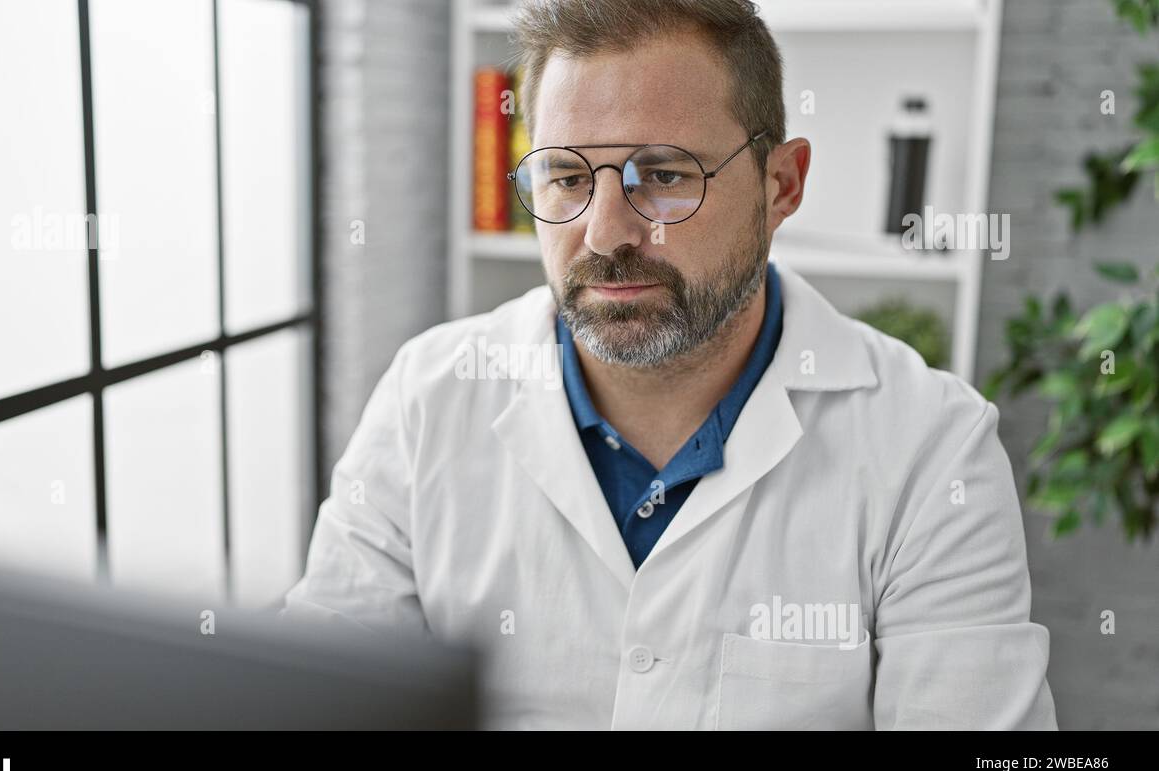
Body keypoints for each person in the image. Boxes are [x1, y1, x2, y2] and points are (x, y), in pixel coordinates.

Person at [281, 0, 1057, 730]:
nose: (604, 233)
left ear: (780, 185)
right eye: (568, 177)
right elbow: (312, 702)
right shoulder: (427, 400)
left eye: (664, 175)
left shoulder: (932, 449)